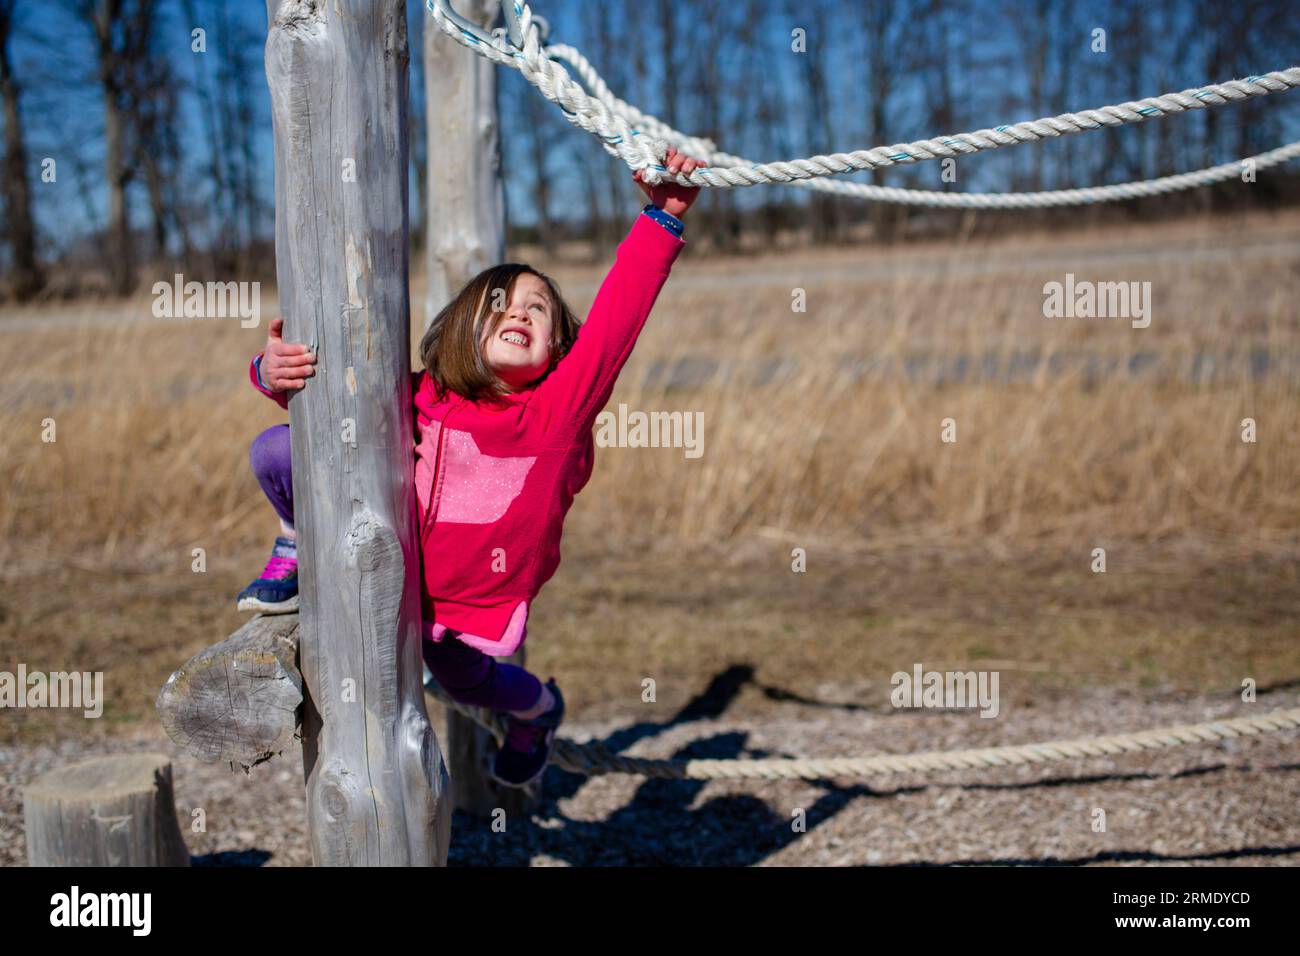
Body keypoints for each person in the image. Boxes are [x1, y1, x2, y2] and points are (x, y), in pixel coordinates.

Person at [239, 147, 706, 788]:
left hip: (467, 605)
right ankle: (294, 543)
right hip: (386, 568)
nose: (518, 312)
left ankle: (539, 710)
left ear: (558, 347)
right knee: (275, 449)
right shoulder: (420, 395)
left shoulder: (556, 414)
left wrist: (663, 216)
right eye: (500, 303)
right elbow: (331, 404)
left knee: (464, 680)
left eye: (537, 309)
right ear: (463, 325)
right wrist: (271, 372)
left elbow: (619, 312)